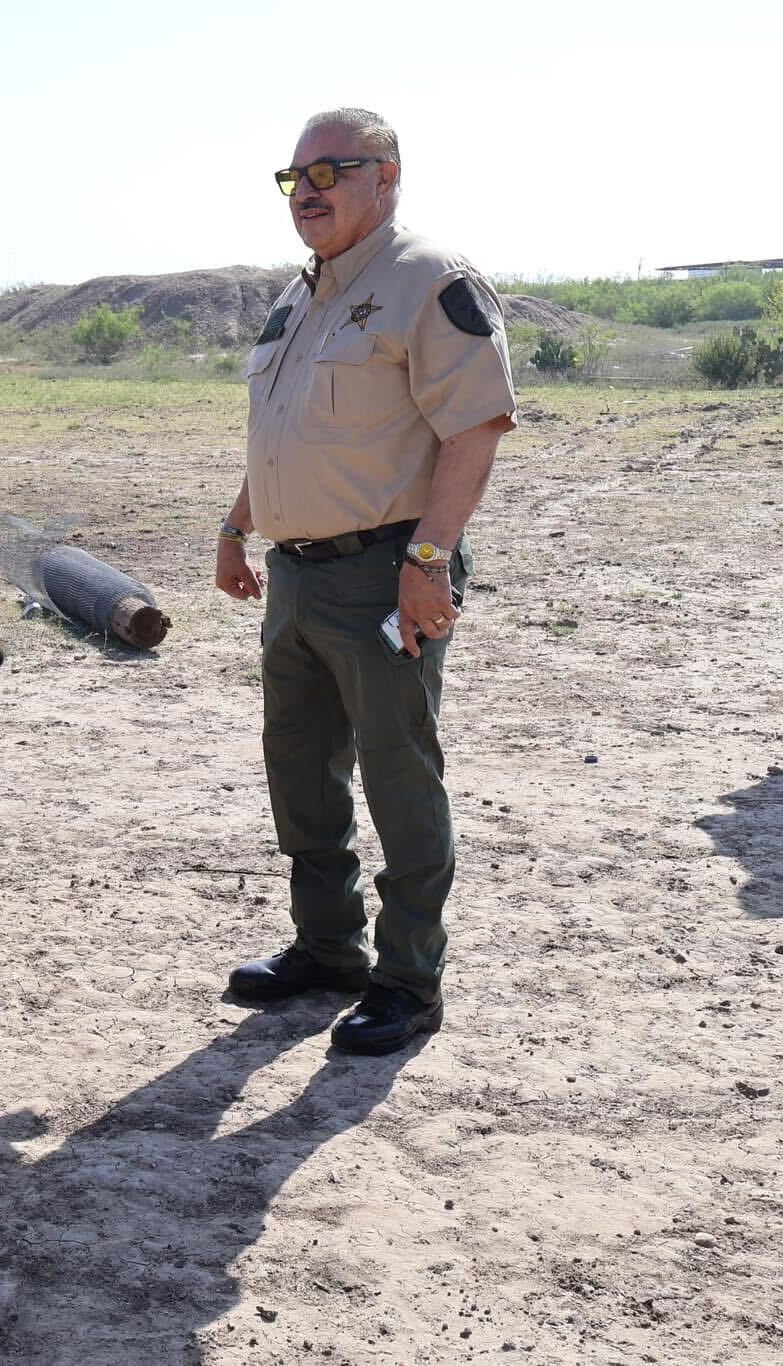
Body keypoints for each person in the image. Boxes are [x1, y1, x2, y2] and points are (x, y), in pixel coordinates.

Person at [215, 108, 517, 1054]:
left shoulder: (428, 281)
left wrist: (428, 562)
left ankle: (408, 979)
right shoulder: (299, 297)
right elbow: (286, 430)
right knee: (301, 776)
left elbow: (475, 427)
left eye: (330, 170)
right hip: (296, 576)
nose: (307, 189)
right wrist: (237, 521)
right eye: (295, 176)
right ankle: (328, 948)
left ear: (387, 176)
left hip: (388, 575)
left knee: (398, 775)